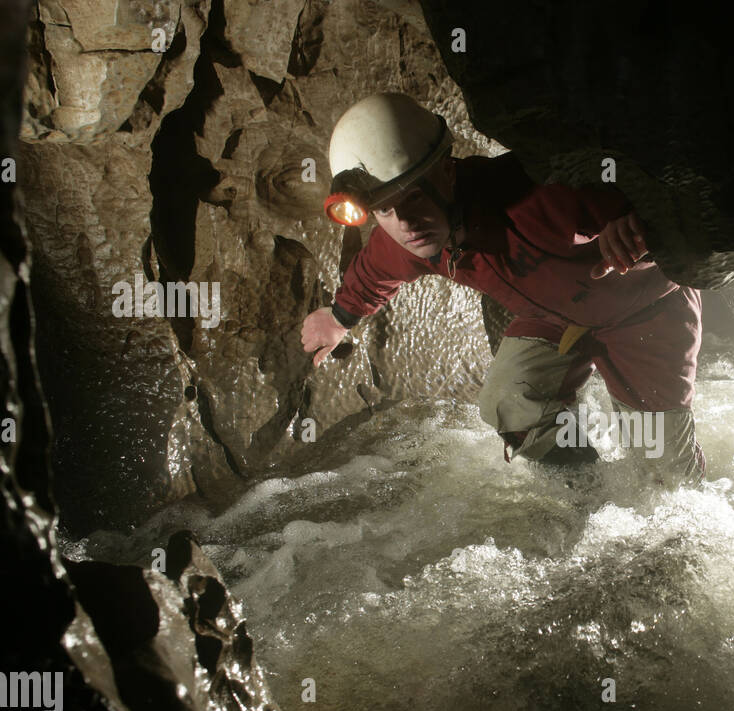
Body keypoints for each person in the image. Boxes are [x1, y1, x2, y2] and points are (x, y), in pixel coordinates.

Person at [299, 93, 705, 481]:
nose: (405, 223)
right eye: (385, 207)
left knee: (664, 473)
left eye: (416, 196)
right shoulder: (408, 239)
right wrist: (339, 318)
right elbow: (373, 271)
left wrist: (635, 225)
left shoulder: (538, 190)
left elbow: (667, 198)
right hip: (556, 317)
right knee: (508, 401)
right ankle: (586, 490)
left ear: (447, 169)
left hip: (645, 312)